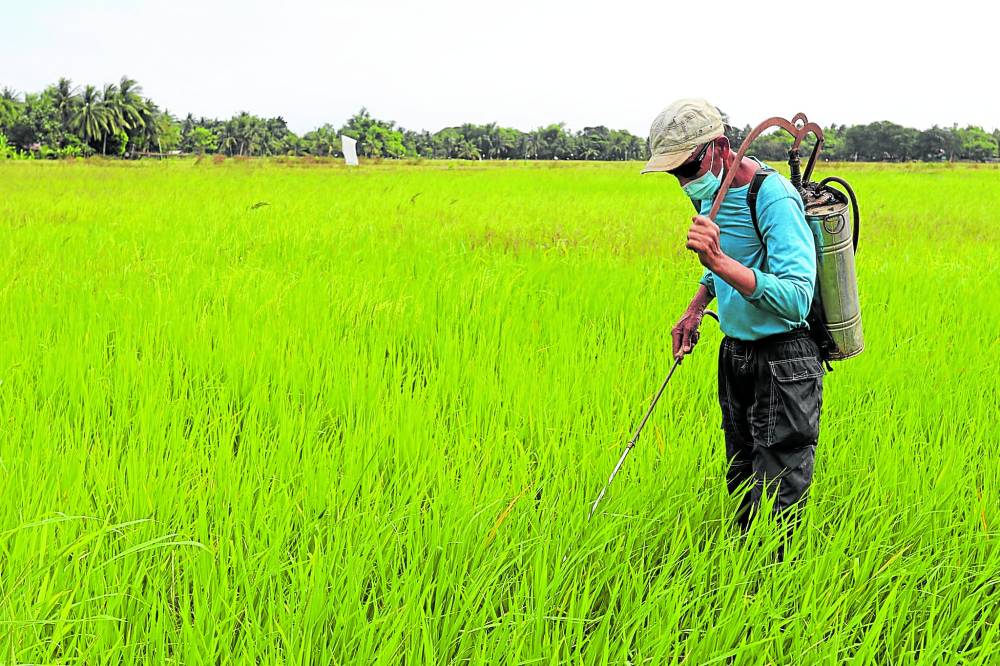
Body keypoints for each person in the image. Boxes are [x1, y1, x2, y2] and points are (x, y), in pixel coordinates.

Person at [642, 98, 824, 532]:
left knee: (778, 498)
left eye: (686, 169)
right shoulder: (716, 195)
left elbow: (798, 296)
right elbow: (735, 264)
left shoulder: (773, 196)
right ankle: (740, 583)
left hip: (784, 359)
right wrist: (697, 305)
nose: (682, 182)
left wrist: (718, 262)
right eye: (673, 174)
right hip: (737, 355)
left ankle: (778, 590)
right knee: (742, 481)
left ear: (720, 148)